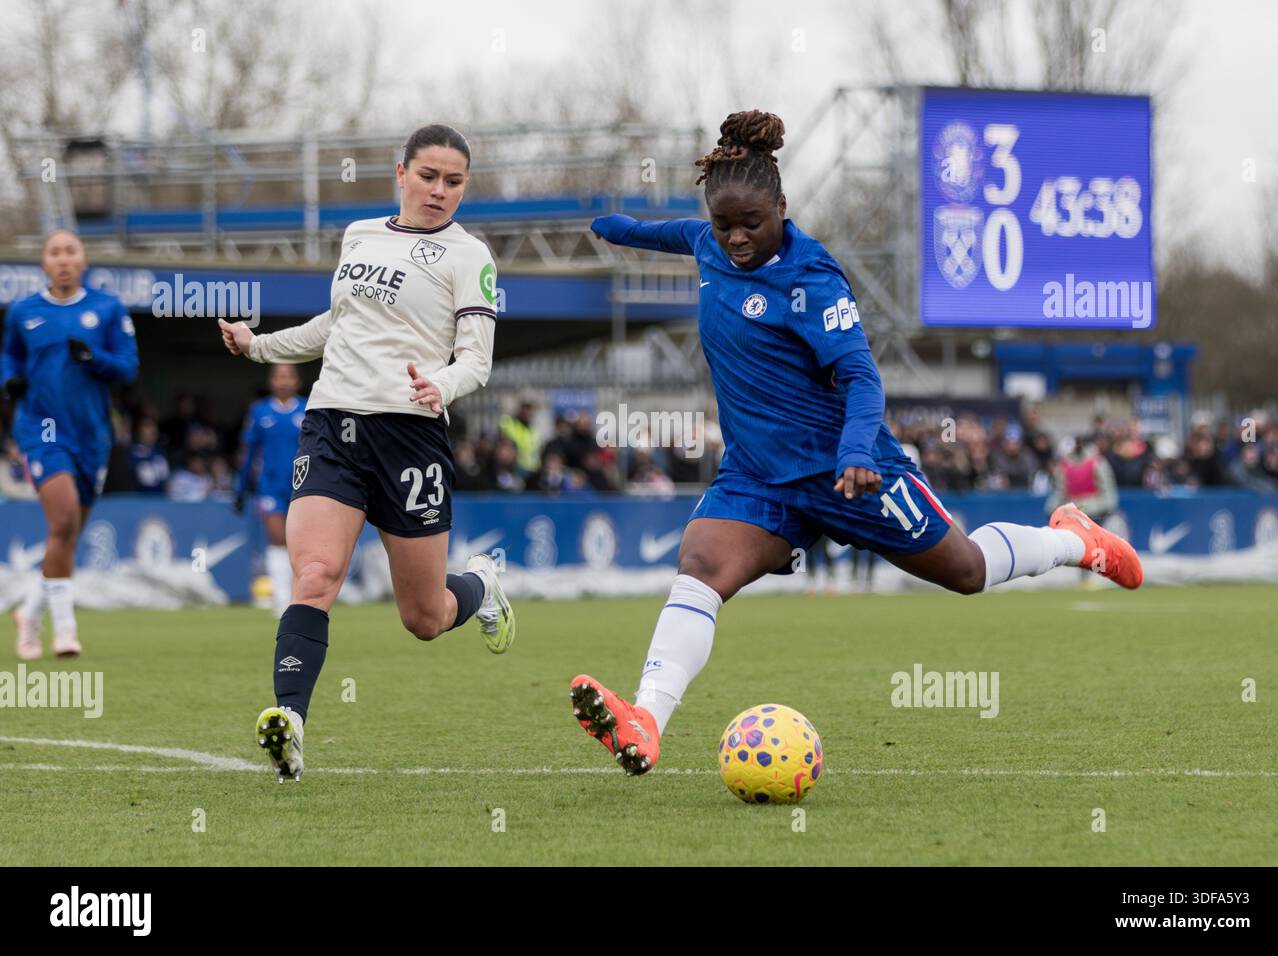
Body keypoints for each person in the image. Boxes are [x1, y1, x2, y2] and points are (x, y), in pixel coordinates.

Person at [568, 111, 1143, 776]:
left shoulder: (813, 280)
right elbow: (652, 232)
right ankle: (645, 720)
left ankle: (1077, 538)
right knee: (699, 566)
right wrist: (604, 225)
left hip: (850, 470)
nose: (735, 239)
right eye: (723, 224)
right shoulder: (707, 243)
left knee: (966, 572)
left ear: (782, 207)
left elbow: (861, 378)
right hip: (758, 475)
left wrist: (855, 454)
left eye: (751, 223)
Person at [218, 123, 515, 782]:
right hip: (331, 424)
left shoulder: (472, 257)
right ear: (401, 173)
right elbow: (338, 324)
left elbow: (477, 359)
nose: (440, 191)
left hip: (410, 435)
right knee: (316, 575)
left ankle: (480, 584)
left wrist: (438, 385)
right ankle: (289, 721)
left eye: (454, 181)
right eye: (429, 176)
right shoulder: (359, 235)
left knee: (425, 617)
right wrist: (260, 345)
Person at [2, 229, 139, 660]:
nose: (63, 259)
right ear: (43, 262)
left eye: (70, 251)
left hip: (91, 435)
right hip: (42, 431)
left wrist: (94, 359)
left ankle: (28, 612)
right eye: (54, 252)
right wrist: (9, 380)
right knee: (61, 523)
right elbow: (9, 355)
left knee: (68, 535)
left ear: (83, 260)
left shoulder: (108, 308)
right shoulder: (24, 311)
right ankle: (65, 630)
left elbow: (129, 368)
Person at [235, 364, 308, 615]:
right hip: (271, 488)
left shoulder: (308, 408)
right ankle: (281, 601)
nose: (283, 381)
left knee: (300, 544)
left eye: (288, 376)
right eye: (278, 376)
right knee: (277, 539)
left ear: (297, 381)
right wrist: (240, 488)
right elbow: (248, 453)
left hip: (303, 486)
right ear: (271, 381)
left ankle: (299, 598)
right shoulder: (260, 411)